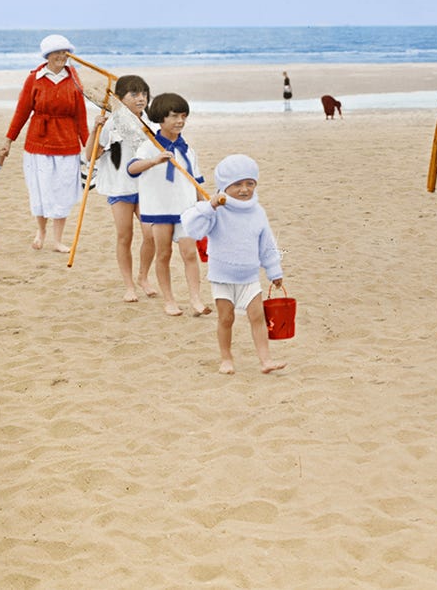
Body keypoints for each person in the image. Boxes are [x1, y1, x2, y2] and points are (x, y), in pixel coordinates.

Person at [182, 154, 286, 375]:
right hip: (222, 276)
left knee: (257, 317)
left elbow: (267, 243)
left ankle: (265, 360)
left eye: (250, 183)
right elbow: (192, 228)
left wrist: (274, 270)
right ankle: (226, 358)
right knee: (226, 318)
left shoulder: (257, 212)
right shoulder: (217, 211)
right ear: (224, 187)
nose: (244, 189)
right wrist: (209, 207)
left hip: (249, 276)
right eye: (237, 184)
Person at [4, 34, 88, 252]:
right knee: (41, 190)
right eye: (57, 52)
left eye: (65, 52)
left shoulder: (75, 79)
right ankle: (41, 231)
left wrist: (88, 146)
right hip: (38, 143)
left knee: (63, 192)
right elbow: (22, 111)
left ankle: (57, 240)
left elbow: (81, 116)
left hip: (68, 144)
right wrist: (9, 140)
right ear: (48, 55)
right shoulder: (35, 78)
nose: (62, 56)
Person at [127, 92, 207, 317]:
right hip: (160, 209)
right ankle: (169, 300)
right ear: (161, 118)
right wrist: (154, 161)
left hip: (186, 209)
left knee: (189, 253)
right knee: (163, 254)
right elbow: (132, 169)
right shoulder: (149, 146)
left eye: (183, 116)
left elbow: (197, 182)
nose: (180, 121)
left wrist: (205, 207)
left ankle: (196, 299)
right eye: (174, 116)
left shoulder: (187, 149)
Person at [85, 75, 158, 303]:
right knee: (124, 235)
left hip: (146, 186)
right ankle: (129, 285)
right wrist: (94, 131)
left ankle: (143, 276)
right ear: (120, 98)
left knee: (151, 234)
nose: (141, 98)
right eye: (134, 94)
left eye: (144, 93)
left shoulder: (151, 123)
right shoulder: (111, 123)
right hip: (120, 186)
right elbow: (91, 156)